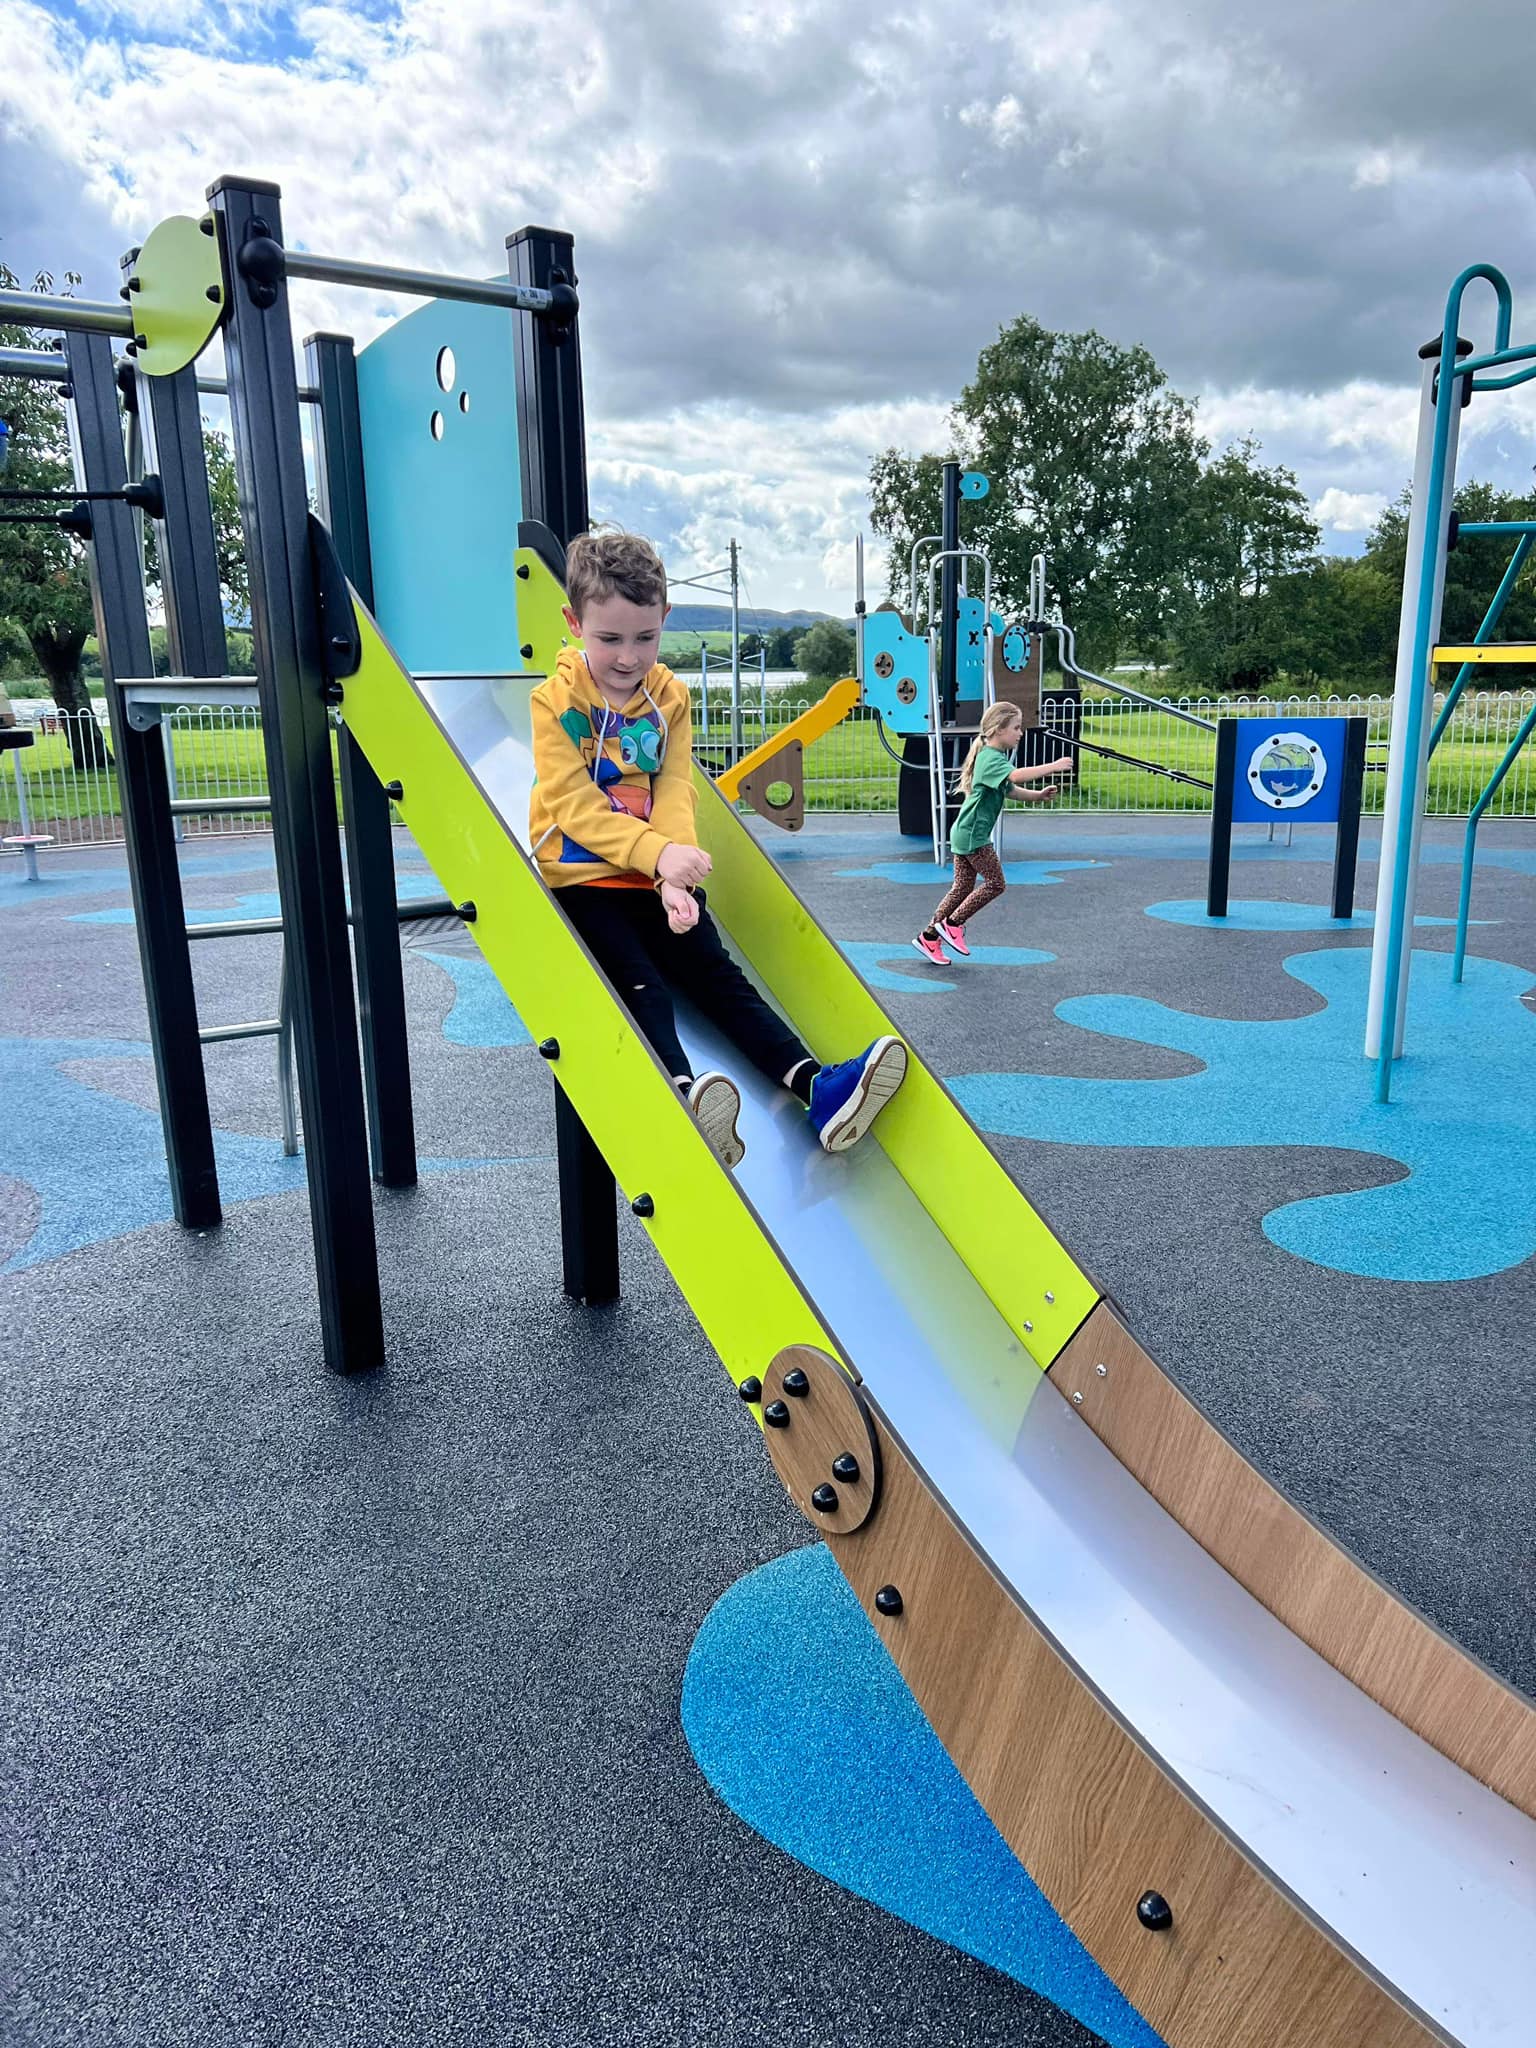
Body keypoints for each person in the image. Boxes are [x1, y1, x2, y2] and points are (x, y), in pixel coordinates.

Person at [529, 529, 906, 1169]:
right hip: (582, 876)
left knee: (719, 976)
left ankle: (819, 1091)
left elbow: (676, 783)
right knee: (640, 983)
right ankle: (682, 1100)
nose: (628, 657)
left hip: (653, 875)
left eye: (645, 638)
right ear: (574, 623)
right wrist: (656, 856)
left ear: (665, 621)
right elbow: (572, 805)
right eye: (609, 639)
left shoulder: (668, 695)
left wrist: (673, 872)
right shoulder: (555, 702)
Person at [913, 701, 1070, 963]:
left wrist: (1038, 796)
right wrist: (1052, 766)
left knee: (961, 888)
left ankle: (929, 938)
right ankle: (953, 925)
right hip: (974, 836)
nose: (1021, 733)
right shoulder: (991, 758)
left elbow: (1010, 790)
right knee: (996, 884)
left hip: (965, 831)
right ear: (998, 729)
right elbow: (1017, 776)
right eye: (1016, 728)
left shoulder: (991, 756)